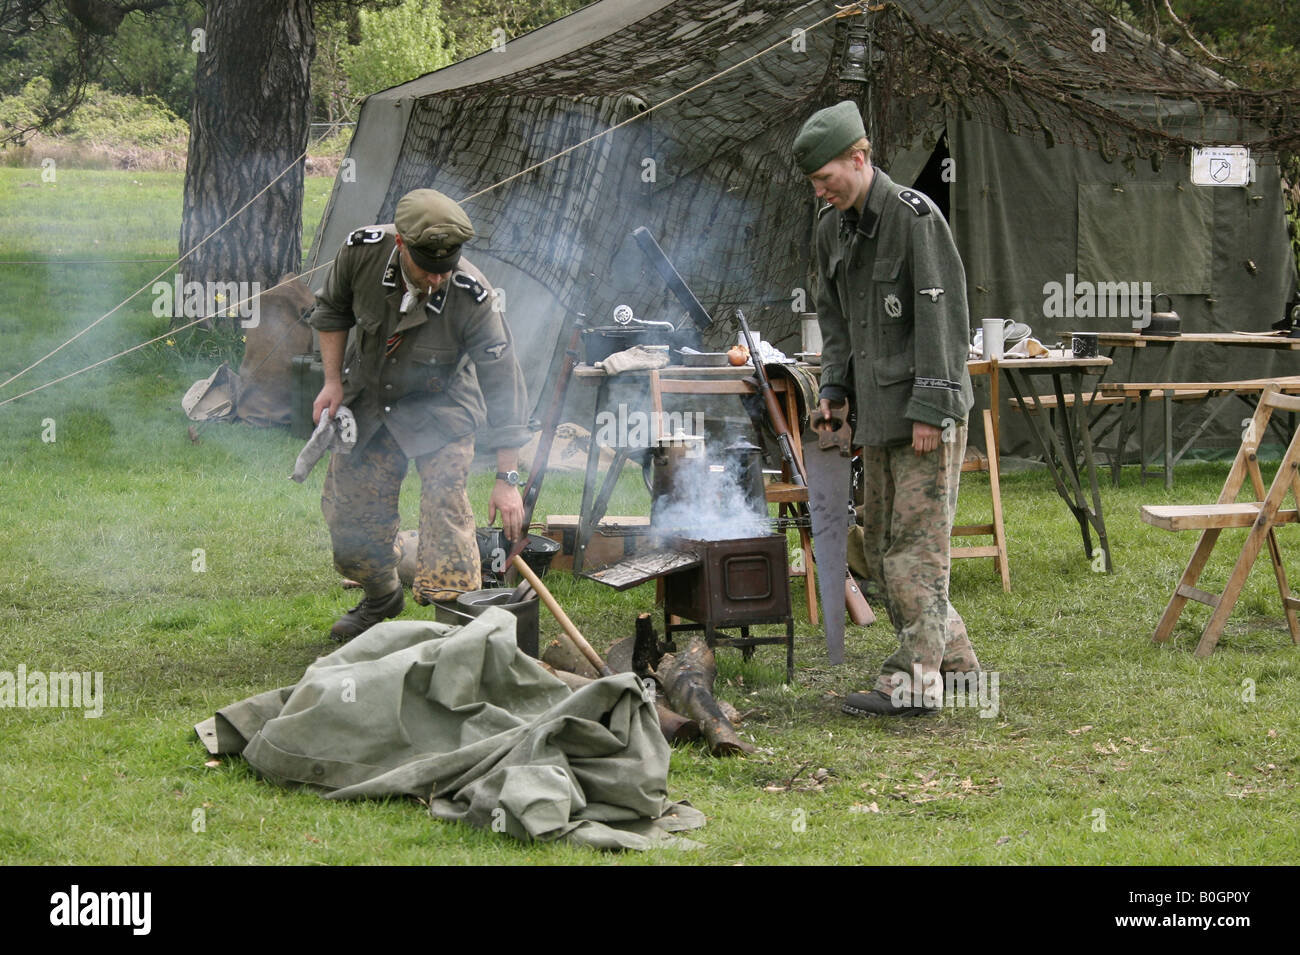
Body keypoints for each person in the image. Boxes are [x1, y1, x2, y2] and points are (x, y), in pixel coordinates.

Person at [792, 101, 981, 716]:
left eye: (827, 179)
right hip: (876, 414)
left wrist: (932, 407)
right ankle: (956, 666)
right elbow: (837, 322)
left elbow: (944, 318)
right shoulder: (831, 229)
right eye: (815, 185)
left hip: (924, 414)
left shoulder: (914, 218)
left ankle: (914, 683)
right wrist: (833, 392)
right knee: (877, 548)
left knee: (913, 553)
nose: (822, 193)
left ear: (859, 156)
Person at [309, 188, 530, 642]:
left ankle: (454, 629)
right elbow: (331, 311)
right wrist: (332, 381)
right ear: (400, 246)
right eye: (426, 268)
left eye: (443, 270)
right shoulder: (361, 252)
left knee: (445, 509)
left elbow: (504, 382)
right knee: (349, 515)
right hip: (369, 402)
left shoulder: (474, 296)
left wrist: (508, 479)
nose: (435, 280)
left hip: (442, 410)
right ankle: (381, 595)